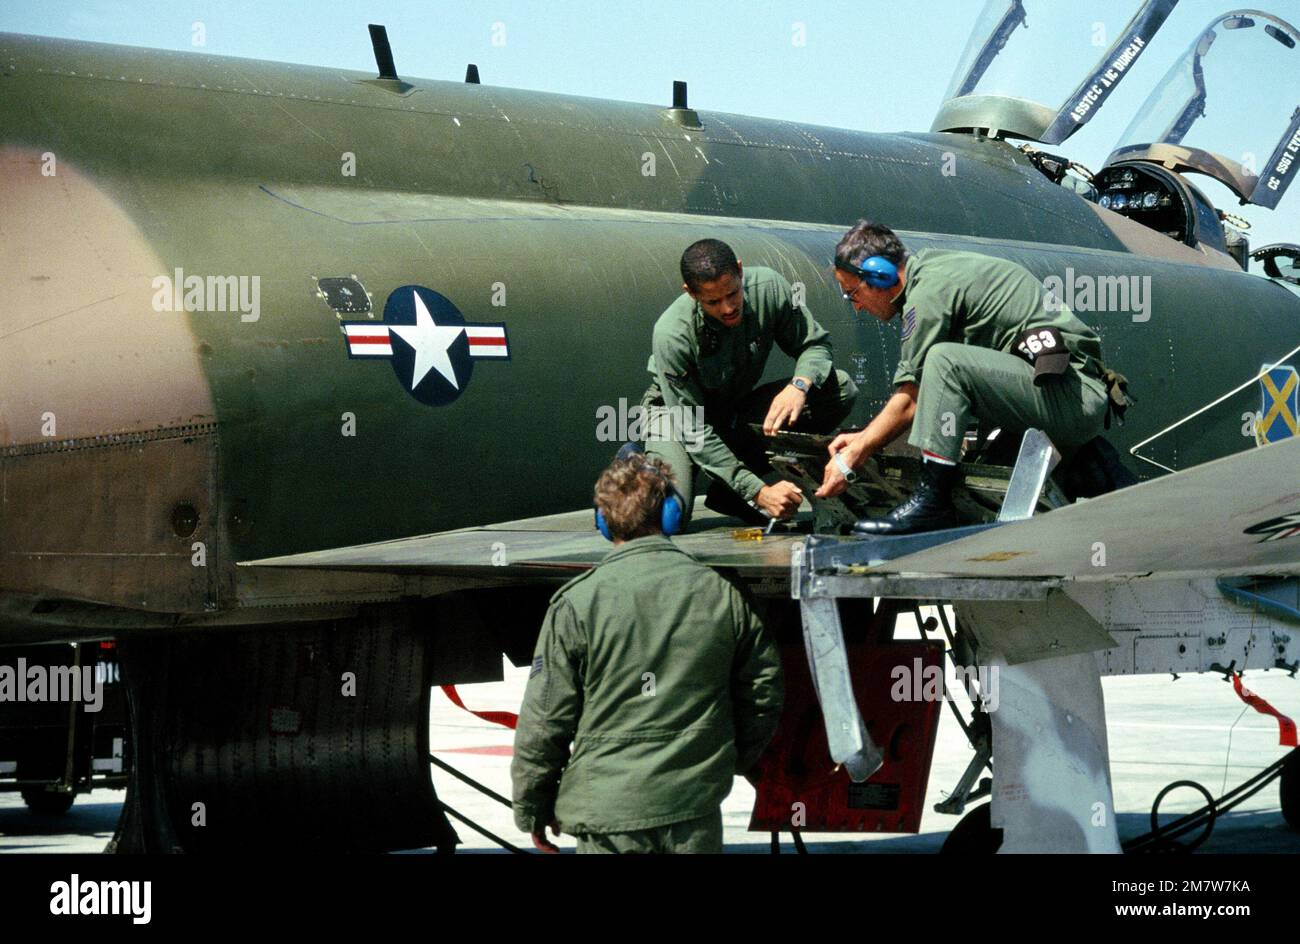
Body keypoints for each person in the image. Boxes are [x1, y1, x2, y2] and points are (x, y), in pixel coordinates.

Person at [511, 449, 783, 854]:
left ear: (603, 520)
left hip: (607, 816)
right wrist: (726, 760)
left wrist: (532, 809)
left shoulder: (576, 603)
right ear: (672, 511)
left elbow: (544, 721)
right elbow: (764, 690)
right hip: (694, 809)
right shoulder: (723, 594)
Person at [816, 220, 1112, 534]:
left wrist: (855, 453)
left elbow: (911, 399)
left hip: (1073, 397)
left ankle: (931, 505)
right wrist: (865, 437)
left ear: (879, 274)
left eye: (852, 294)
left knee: (945, 361)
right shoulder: (934, 273)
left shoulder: (929, 292)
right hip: (1052, 396)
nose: (857, 307)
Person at [641, 238, 857, 526]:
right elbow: (692, 428)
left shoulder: (771, 288)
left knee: (838, 388)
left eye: (733, 293)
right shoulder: (672, 335)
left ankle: (728, 494)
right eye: (713, 302)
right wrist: (758, 492)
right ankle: (637, 462)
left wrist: (800, 386)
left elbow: (815, 345)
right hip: (677, 415)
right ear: (690, 293)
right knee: (667, 518)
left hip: (731, 410)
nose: (728, 308)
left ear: (740, 271)